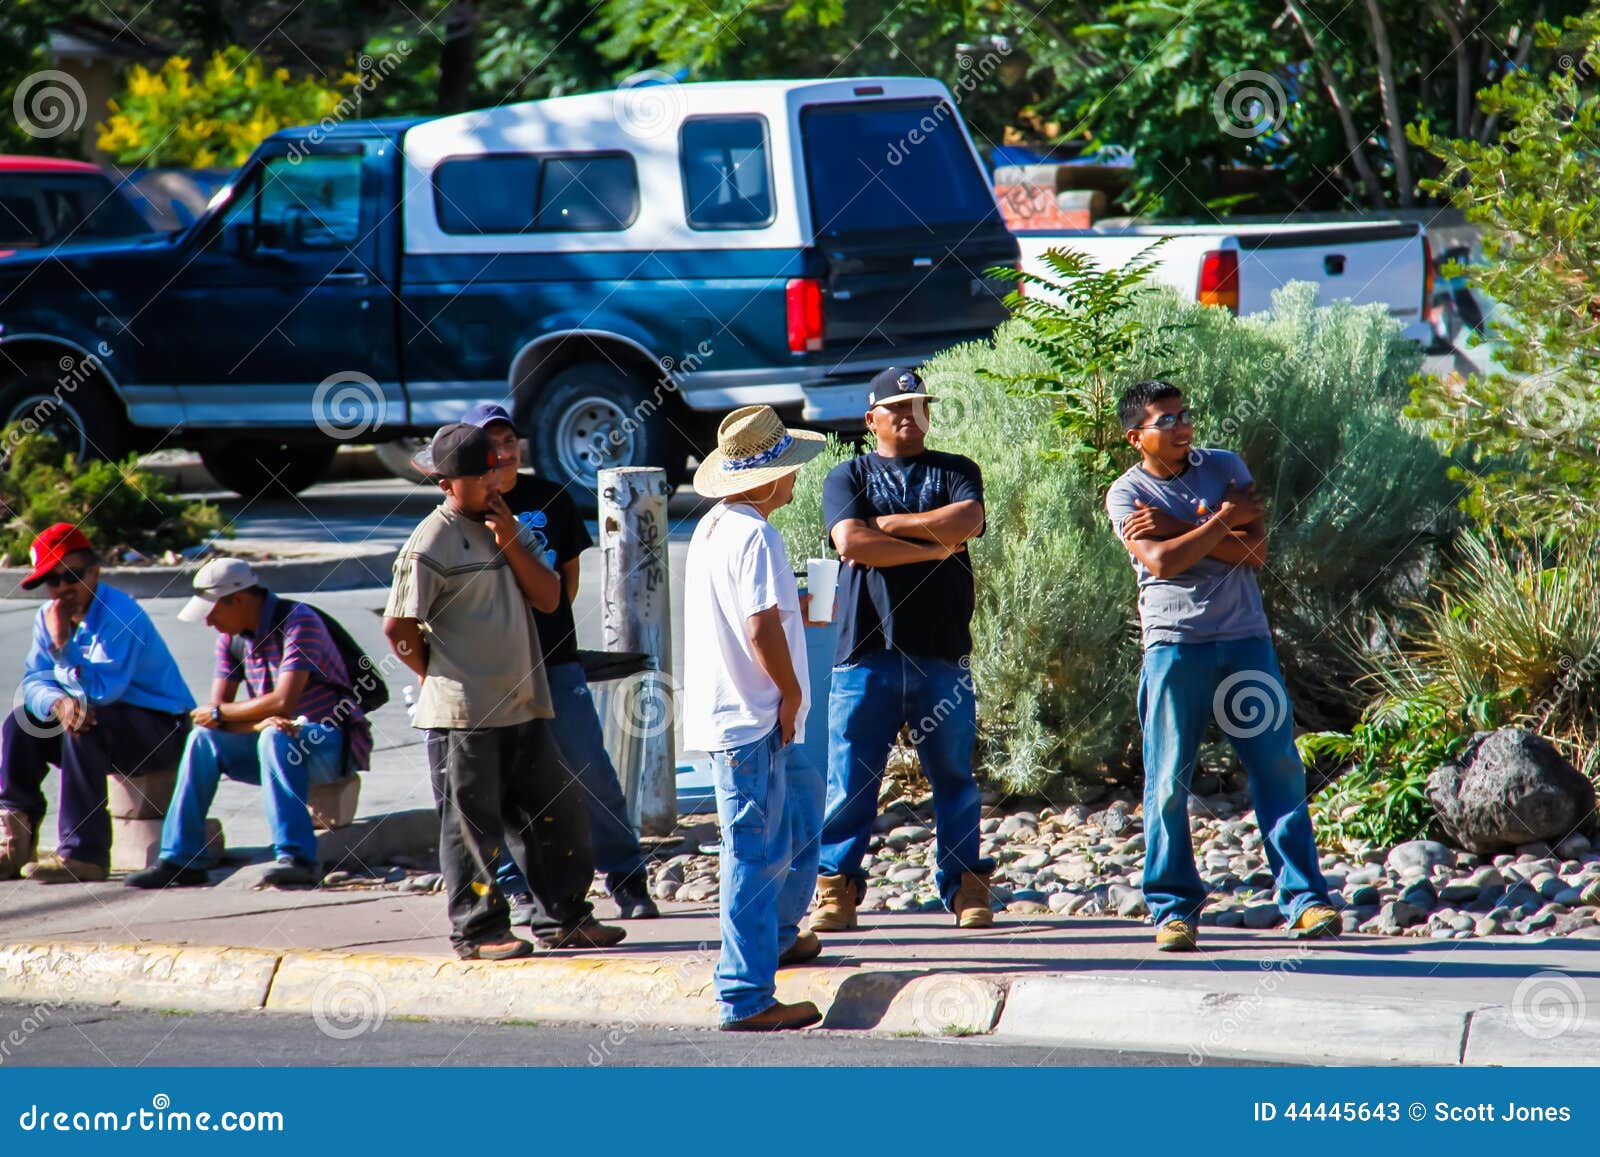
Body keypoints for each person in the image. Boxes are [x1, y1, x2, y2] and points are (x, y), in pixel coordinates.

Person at [1106, 379, 1340, 952]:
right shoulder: (1124, 492)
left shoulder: (1226, 466)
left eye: (1185, 414)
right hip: (1174, 645)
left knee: (1278, 767)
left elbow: (1255, 551)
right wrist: (1217, 523)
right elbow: (1160, 562)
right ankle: (1172, 908)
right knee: (1168, 780)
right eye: (1166, 420)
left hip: (1244, 640)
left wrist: (1180, 529)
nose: (1183, 425)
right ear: (1136, 437)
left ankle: (1305, 899)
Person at [381, 422, 624, 960]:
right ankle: (477, 930)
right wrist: (439, 680)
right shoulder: (431, 542)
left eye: (496, 469)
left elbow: (548, 598)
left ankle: (564, 918)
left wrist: (511, 539)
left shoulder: (506, 524)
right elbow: (398, 630)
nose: (494, 481)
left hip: (523, 703)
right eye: (480, 475)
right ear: (447, 484)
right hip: (465, 717)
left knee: (552, 815)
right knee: (472, 830)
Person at [459, 401, 659, 921]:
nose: (501, 453)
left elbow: (566, 580)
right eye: (489, 444)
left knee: (590, 770)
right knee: (500, 785)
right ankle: (517, 888)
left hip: (554, 660)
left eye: (508, 442)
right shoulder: (460, 508)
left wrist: (542, 616)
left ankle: (627, 878)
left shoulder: (548, 496)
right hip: (490, 673)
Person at [812, 366, 994, 932]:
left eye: (918, 406)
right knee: (850, 781)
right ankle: (836, 892)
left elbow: (970, 518)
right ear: (871, 420)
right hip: (866, 652)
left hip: (942, 653)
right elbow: (851, 541)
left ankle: (966, 887)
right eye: (897, 407)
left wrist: (893, 526)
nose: (910, 416)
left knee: (955, 778)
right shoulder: (847, 476)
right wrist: (936, 548)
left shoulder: (956, 470)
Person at [685, 405, 828, 1032]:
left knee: (793, 822)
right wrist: (791, 694)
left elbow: (755, 614)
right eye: (788, 468)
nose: (796, 478)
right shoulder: (758, 535)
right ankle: (745, 994)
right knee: (754, 851)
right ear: (764, 478)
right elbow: (759, 626)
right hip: (754, 716)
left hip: (742, 712)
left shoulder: (718, 527)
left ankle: (778, 937)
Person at [126, 559, 373, 890]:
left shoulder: (299, 621)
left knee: (274, 736)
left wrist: (227, 716)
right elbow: (216, 717)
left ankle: (298, 858)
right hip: (274, 740)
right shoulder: (232, 639)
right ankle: (180, 859)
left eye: (212, 612)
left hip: (327, 744)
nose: (209, 622)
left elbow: (282, 702)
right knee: (203, 739)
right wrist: (241, 721)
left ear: (239, 599)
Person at [0, 523, 193, 883]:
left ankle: (84, 854)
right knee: (20, 723)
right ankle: (15, 842)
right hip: (108, 721)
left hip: (163, 730)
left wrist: (61, 649)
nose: (62, 588)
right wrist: (58, 702)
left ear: (95, 572)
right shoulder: (48, 616)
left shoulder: (120, 614)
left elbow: (104, 690)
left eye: (72, 575)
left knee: (85, 723)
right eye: (52, 581)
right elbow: (35, 681)